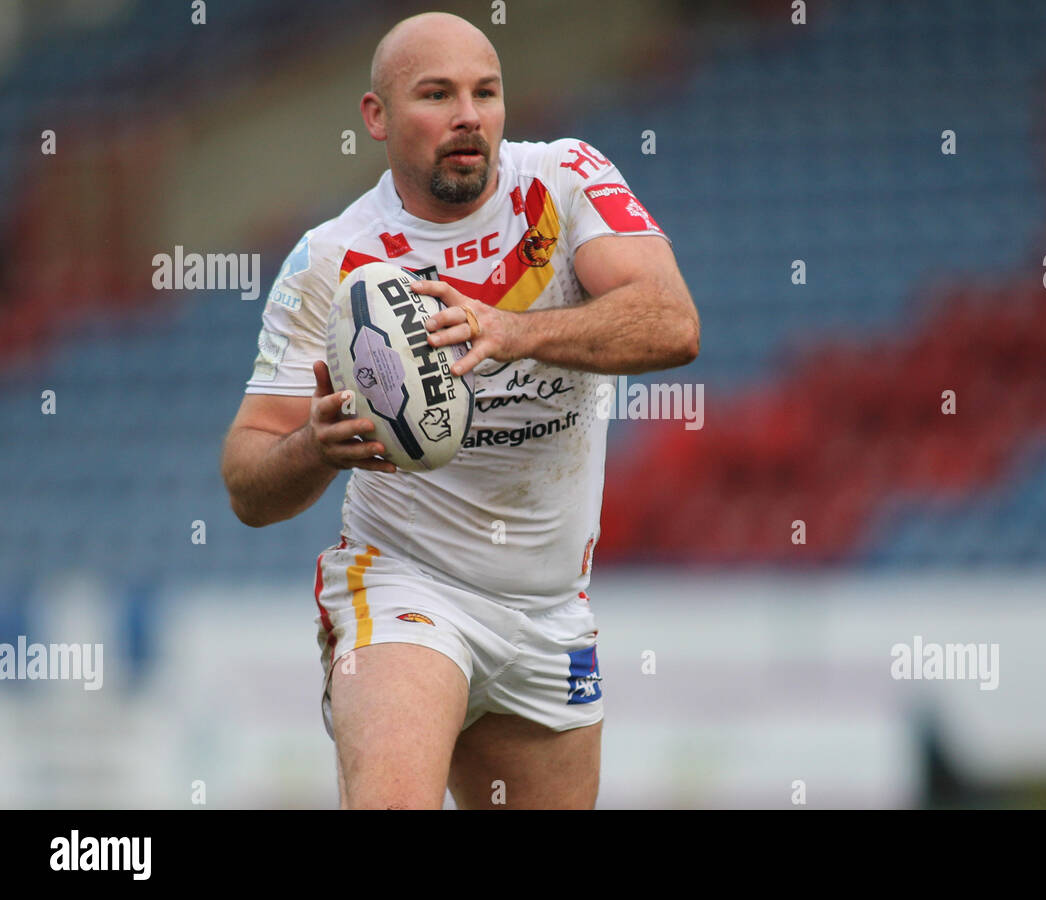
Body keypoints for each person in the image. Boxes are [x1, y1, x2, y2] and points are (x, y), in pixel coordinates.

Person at [219, 11, 699, 809]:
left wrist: (514, 331)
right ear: (376, 117)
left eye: (486, 92)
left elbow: (673, 323)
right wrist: (313, 445)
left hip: (549, 610)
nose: (468, 115)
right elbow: (246, 483)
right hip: (407, 584)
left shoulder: (564, 182)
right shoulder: (332, 261)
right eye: (435, 94)